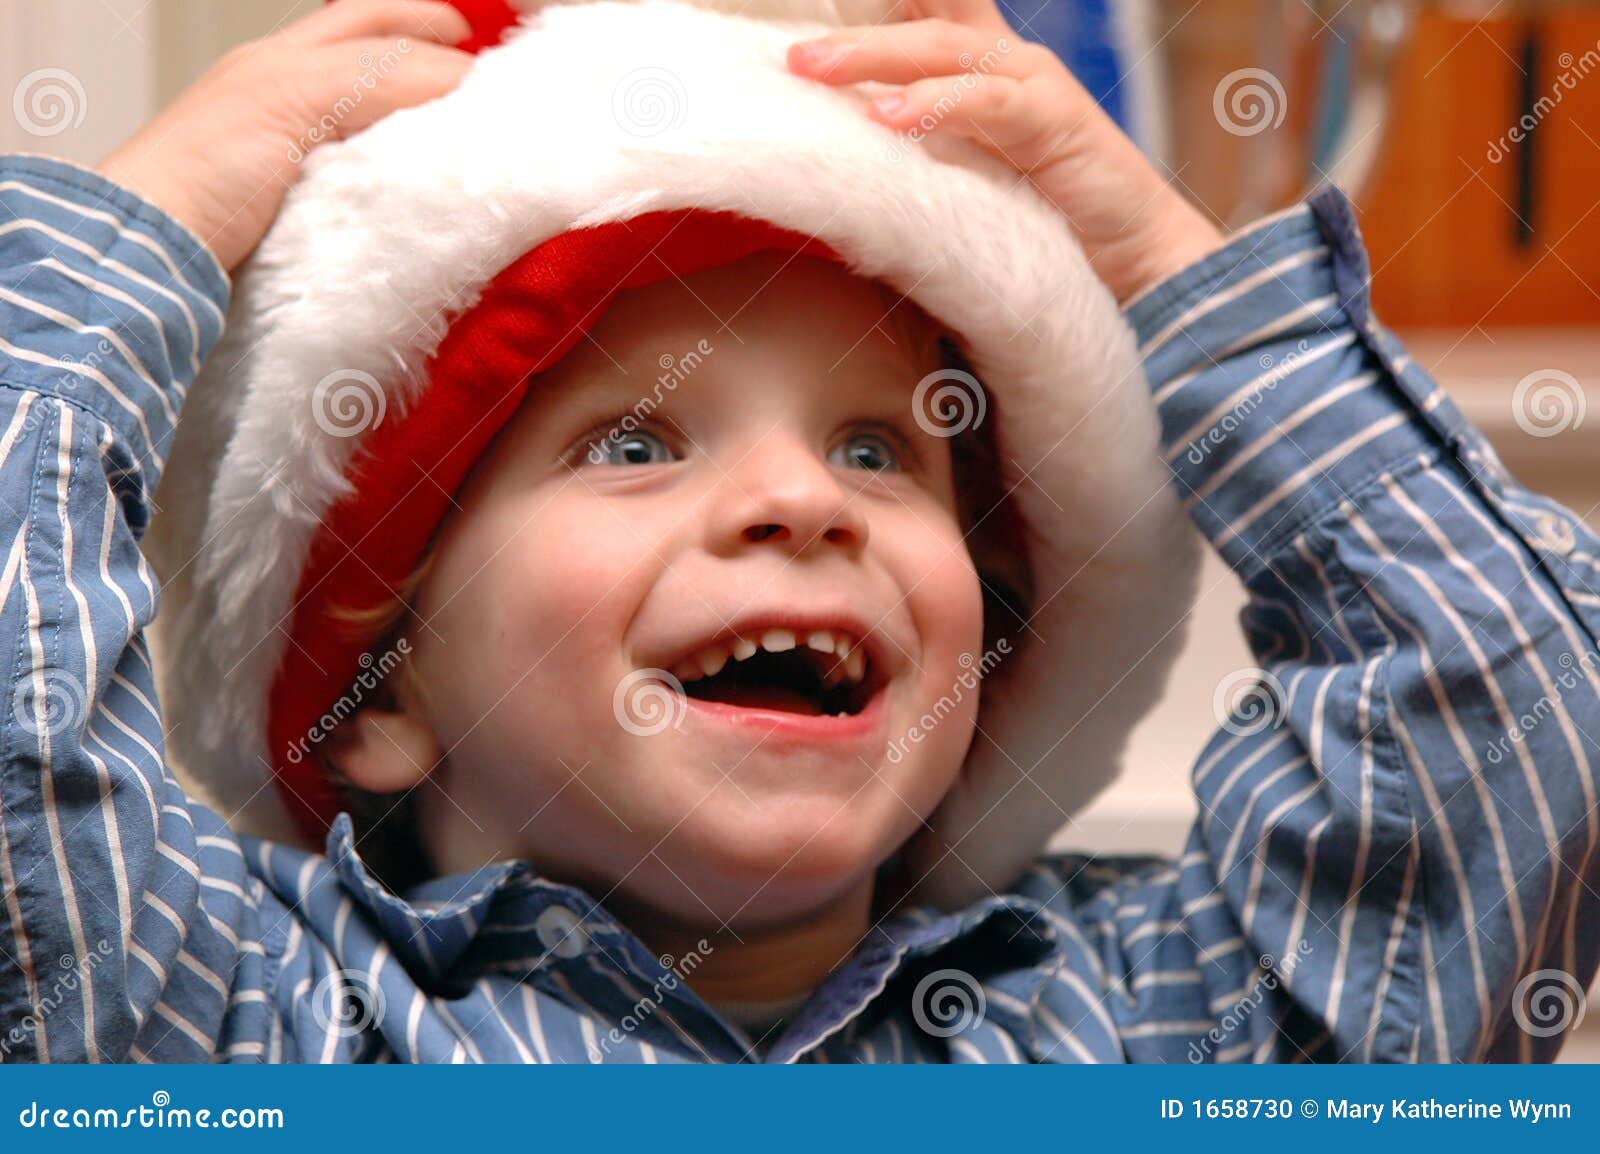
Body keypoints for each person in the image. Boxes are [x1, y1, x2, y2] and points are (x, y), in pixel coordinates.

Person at [1, 0, 1595, 1064]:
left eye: (882, 450)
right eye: (633, 443)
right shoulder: (242, 1023)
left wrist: (1168, 267)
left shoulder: (1143, 1025)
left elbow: (1524, 739)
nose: (803, 499)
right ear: (386, 692)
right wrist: (144, 224)